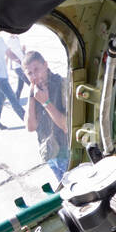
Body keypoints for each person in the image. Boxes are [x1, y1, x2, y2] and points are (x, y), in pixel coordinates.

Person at [23, 51, 70, 180]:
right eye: (29, 73)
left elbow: (67, 126)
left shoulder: (62, 84)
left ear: (45, 65)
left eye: (36, 69)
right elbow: (30, 127)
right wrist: (31, 97)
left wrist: (46, 102)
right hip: (49, 155)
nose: (34, 76)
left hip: (67, 154)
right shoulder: (35, 91)